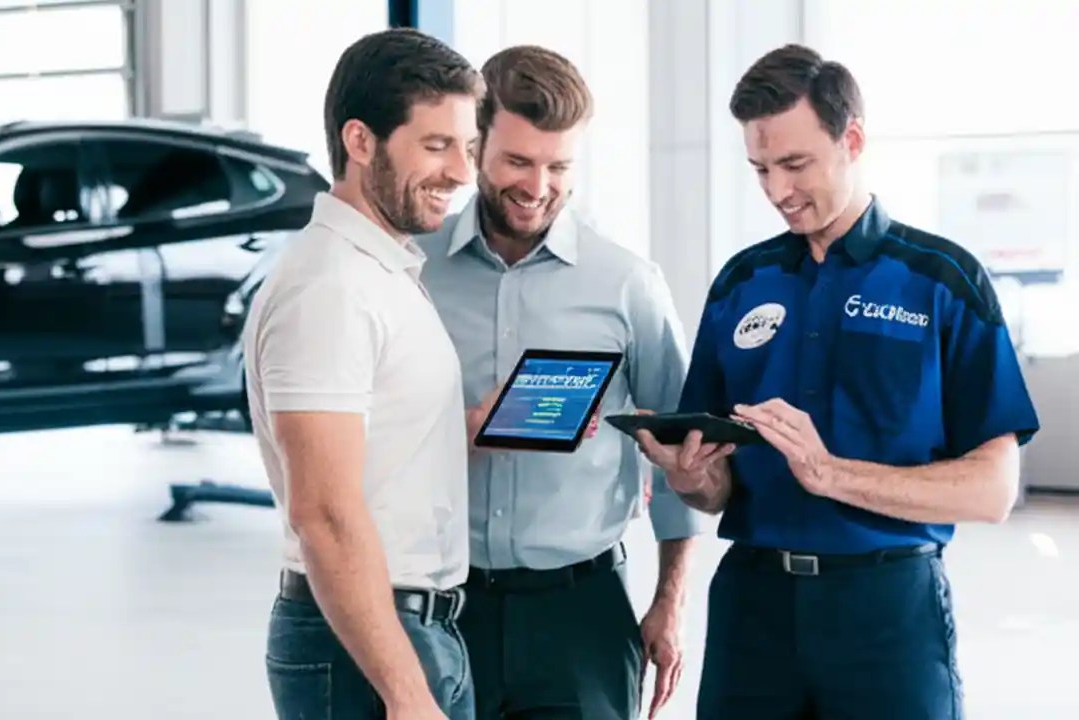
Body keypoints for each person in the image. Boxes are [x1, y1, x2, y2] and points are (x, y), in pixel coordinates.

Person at [633, 43, 1041, 720]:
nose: (776, 191)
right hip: (753, 608)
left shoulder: (943, 280)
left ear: (852, 139)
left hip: (888, 608)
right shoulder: (742, 283)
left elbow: (993, 490)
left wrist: (831, 474)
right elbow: (714, 489)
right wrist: (689, 476)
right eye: (760, 169)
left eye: (795, 164)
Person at [417, 45, 705, 720]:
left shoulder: (627, 284)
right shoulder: (412, 272)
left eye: (559, 166)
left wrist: (670, 602)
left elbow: (678, 455)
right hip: (441, 607)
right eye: (517, 161)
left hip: (583, 618)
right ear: (476, 146)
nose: (538, 185)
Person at [242, 27, 484, 720]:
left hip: (411, 631)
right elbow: (322, 511)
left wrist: (476, 426)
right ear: (360, 141)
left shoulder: (382, 270)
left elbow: (375, 446)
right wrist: (407, 696)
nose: (462, 173)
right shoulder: (329, 287)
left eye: (466, 147)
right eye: (435, 146)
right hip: (365, 644)